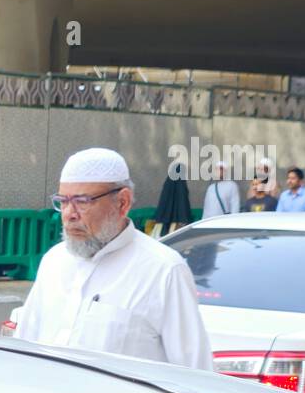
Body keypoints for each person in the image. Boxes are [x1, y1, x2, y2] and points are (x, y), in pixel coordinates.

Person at [14, 147, 213, 370]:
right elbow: (24, 348)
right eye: (63, 201)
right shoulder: (54, 261)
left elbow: (196, 373)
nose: (69, 214)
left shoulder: (163, 270)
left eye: (82, 201)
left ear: (122, 203)